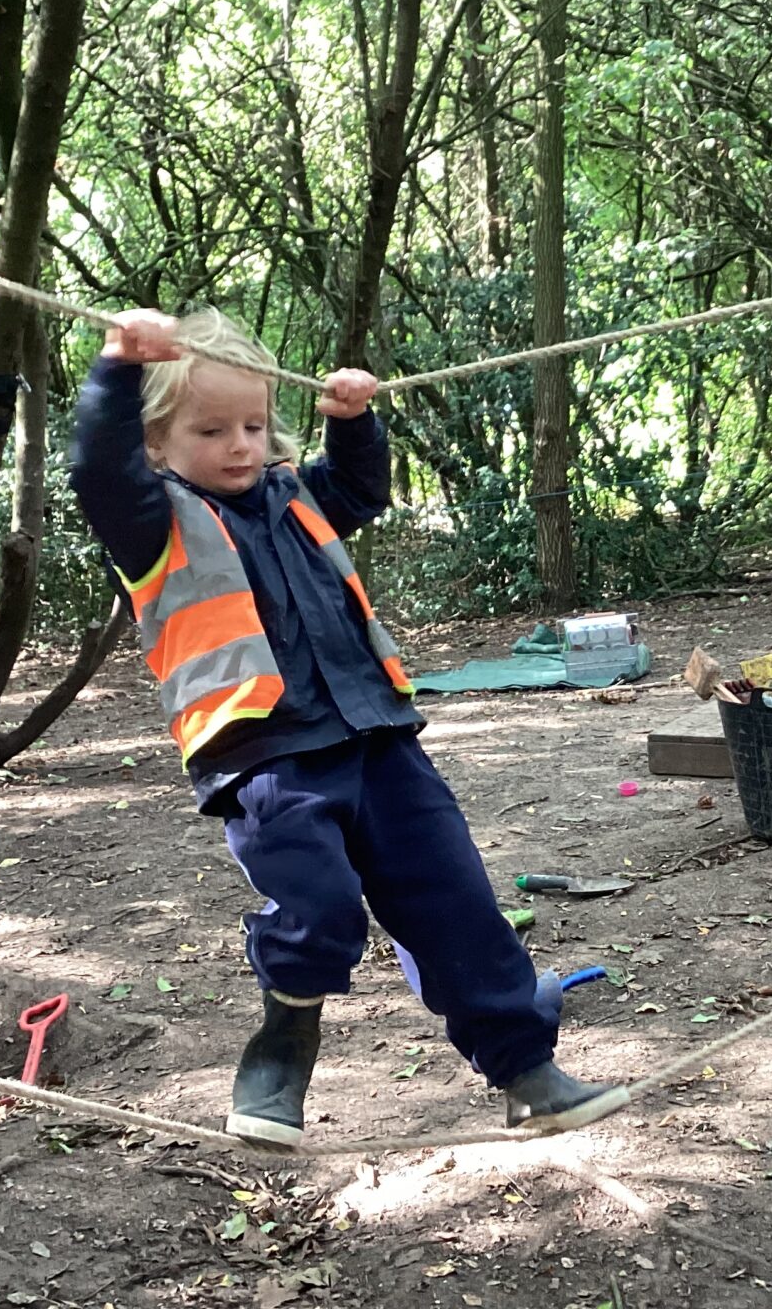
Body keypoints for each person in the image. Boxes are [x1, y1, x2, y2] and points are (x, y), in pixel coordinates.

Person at [69, 307, 622, 1147]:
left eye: (254, 424)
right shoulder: (152, 524)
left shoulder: (297, 496)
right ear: (155, 443)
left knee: (458, 901)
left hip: (377, 736)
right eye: (211, 429)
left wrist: (352, 421)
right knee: (319, 906)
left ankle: (525, 1072)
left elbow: (362, 487)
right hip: (265, 754)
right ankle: (284, 1041)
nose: (242, 445)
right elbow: (97, 473)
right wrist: (116, 372)